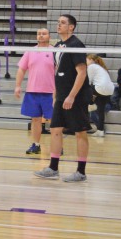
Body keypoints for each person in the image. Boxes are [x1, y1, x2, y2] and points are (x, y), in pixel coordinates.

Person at [34, 14, 90, 183]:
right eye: (58, 22)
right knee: (55, 130)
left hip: (76, 97)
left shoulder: (76, 44)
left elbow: (82, 72)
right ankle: (53, 168)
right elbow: (58, 72)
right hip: (61, 95)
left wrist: (72, 96)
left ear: (71, 27)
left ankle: (81, 172)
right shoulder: (58, 45)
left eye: (63, 23)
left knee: (80, 132)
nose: (59, 25)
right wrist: (56, 95)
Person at [14, 29, 55, 155]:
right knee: (35, 120)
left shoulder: (55, 51)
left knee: (54, 120)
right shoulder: (30, 51)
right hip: (32, 91)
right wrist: (18, 86)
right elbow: (21, 69)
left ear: (49, 36)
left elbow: (60, 72)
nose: (41, 35)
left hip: (51, 92)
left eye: (44, 33)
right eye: (39, 34)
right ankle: (36, 145)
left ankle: (57, 145)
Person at [86, 54, 114, 138]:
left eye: (86, 59)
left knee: (86, 87)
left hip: (100, 88)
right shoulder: (102, 68)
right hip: (109, 90)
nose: (85, 61)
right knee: (100, 110)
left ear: (91, 60)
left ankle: (90, 104)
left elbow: (88, 82)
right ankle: (100, 130)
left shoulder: (91, 66)